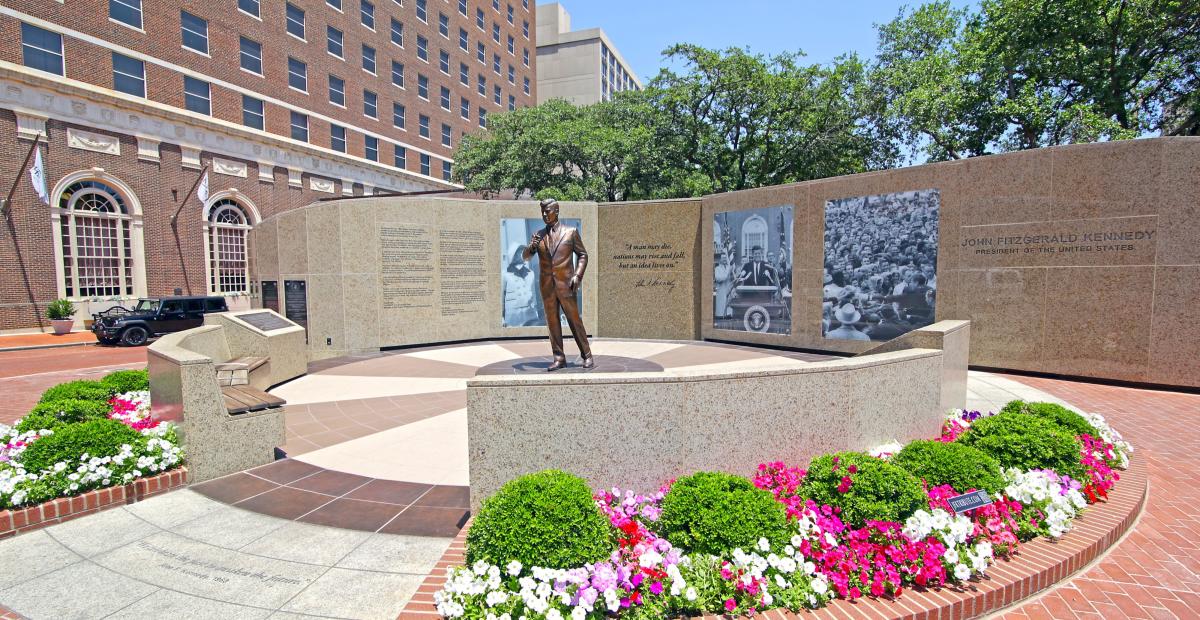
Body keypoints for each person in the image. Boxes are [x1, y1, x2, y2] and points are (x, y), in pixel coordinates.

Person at [522, 198, 594, 371]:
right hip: (547, 287)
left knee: (574, 321)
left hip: (566, 285)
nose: (545, 215)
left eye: (548, 211)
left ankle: (587, 355)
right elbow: (525, 257)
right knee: (552, 323)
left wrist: (578, 275)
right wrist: (531, 247)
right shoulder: (539, 236)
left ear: (557, 211)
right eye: (543, 212)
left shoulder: (571, 232)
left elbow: (583, 255)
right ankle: (559, 357)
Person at [502, 243, 538, 326]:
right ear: (512, 255)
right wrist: (501, 318)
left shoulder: (531, 273)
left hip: (530, 316)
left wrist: (536, 312)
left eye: (523, 251)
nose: (522, 254)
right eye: (518, 252)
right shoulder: (505, 274)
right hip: (513, 318)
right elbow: (501, 299)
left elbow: (534, 296)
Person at [713, 252, 735, 320]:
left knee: (729, 314)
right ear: (720, 259)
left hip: (728, 292)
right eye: (723, 258)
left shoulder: (728, 268)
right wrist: (728, 272)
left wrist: (732, 273)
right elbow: (720, 278)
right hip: (721, 292)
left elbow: (733, 279)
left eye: (726, 257)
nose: (725, 259)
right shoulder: (717, 269)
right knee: (721, 314)